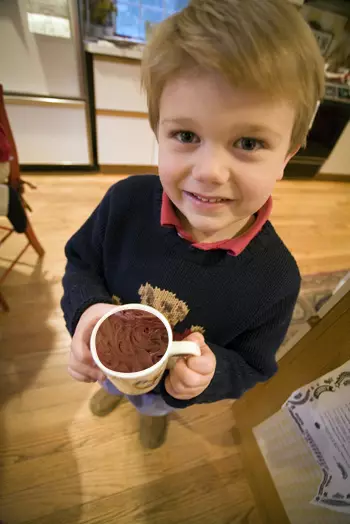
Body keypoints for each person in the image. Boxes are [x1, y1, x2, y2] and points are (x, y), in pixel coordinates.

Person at [61, 0, 324, 449]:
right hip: (111, 359)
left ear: (287, 157)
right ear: (157, 130)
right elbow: (80, 263)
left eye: (248, 142)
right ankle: (116, 393)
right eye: (186, 136)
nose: (209, 172)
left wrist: (213, 375)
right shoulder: (125, 202)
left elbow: (254, 365)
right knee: (114, 386)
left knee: (153, 403)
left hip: (170, 388)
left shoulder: (276, 279)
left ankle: (150, 413)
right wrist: (86, 311)